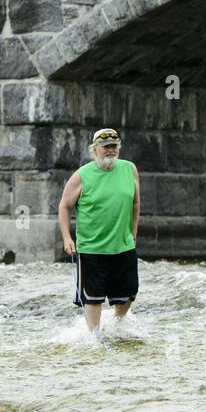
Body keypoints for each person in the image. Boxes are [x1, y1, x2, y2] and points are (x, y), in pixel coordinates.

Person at [58, 127, 141, 331]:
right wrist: (67, 238)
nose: (110, 150)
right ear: (94, 149)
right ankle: (95, 339)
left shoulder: (129, 169)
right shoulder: (82, 176)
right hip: (91, 248)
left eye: (114, 146)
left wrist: (134, 230)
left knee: (129, 292)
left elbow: (136, 203)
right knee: (93, 298)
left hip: (123, 245)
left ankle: (116, 323)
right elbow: (64, 206)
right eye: (105, 147)